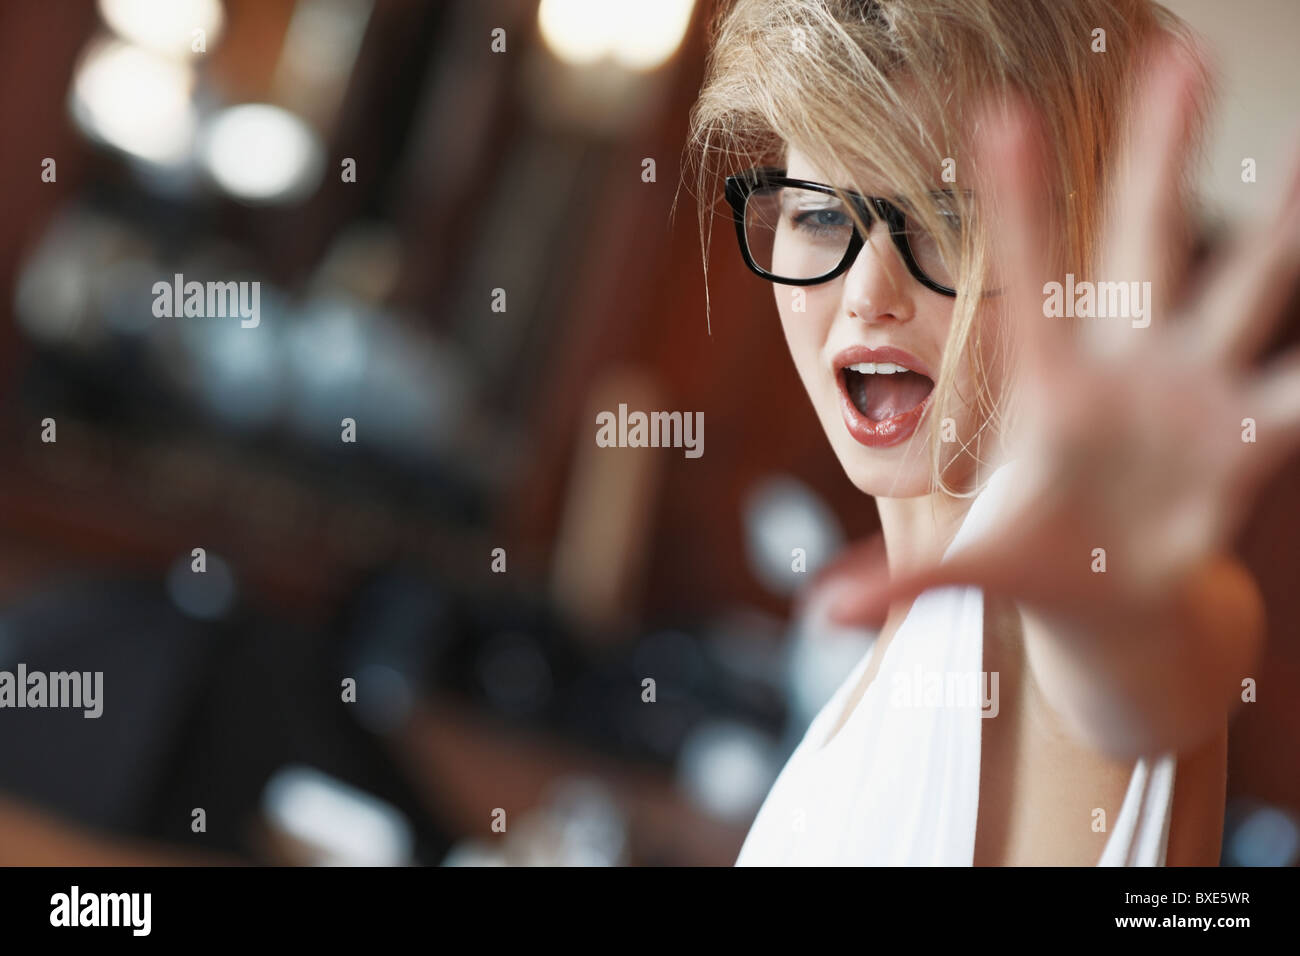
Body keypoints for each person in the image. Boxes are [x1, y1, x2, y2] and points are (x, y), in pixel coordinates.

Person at [687, 0, 1300, 864]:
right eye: (823, 215)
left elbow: (1150, 647)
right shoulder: (882, 670)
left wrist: (1115, 596)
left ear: (1074, 257)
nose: (869, 289)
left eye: (950, 219)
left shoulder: (1042, 580)